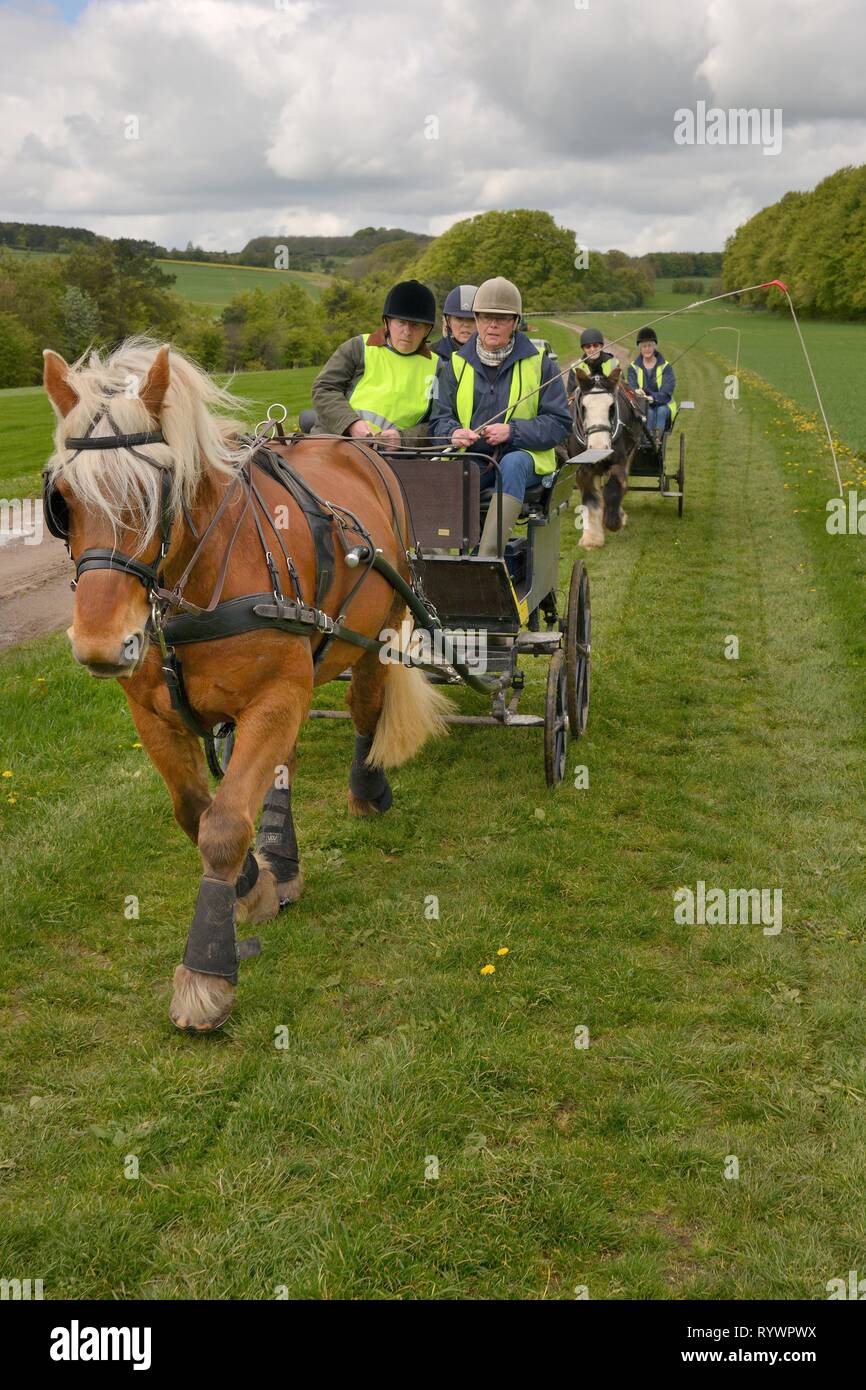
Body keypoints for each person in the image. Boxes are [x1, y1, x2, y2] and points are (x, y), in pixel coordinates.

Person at [431, 276, 571, 557]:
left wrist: (512, 432)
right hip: (473, 458)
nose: (492, 325)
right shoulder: (455, 365)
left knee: (513, 462)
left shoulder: (541, 363)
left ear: (515, 321)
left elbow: (560, 424)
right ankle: (438, 562)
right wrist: (454, 432)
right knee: (451, 472)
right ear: (477, 318)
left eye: (502, 318)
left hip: (525, 458)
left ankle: (488, 558)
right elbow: (439, 419)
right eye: (485, 317)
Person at [310, 279, 438, 442]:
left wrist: (403, 438)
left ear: (427, 329)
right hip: (336, 441)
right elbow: (324, 388)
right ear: (387, 322)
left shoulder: (437, 367)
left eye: (415, 325)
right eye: (401, 323)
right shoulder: (358, 347)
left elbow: (437, 422)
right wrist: (351, 423)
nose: (407, 332)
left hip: (395, 455)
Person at [627, 326, 678, 445]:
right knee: (648, 412)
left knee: (661, 411)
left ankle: (657, 441)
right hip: (642, 405)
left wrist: (653, 398)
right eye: (644, 346)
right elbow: (631, 387)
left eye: (650, 345)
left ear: (655, 346)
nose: (647, 349)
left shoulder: (666, 367)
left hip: (663, 404)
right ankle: (645, 440)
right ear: (640, 348)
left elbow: (667, 392)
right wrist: (637, 393)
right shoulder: (633, 368)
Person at [431, 284, 479, 361]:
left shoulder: (493, 357)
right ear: (448, 321)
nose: (466, 325)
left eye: (472, 319)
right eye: (459, 318)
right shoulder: (431, 354)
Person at [567, 326, 617, 395]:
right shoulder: (575, 367)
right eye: (588, 346)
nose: (592, 349)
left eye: (595, 345)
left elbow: (621, 387)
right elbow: (571, 393)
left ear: (601, 346)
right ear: (583, 349)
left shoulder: (613, 363)